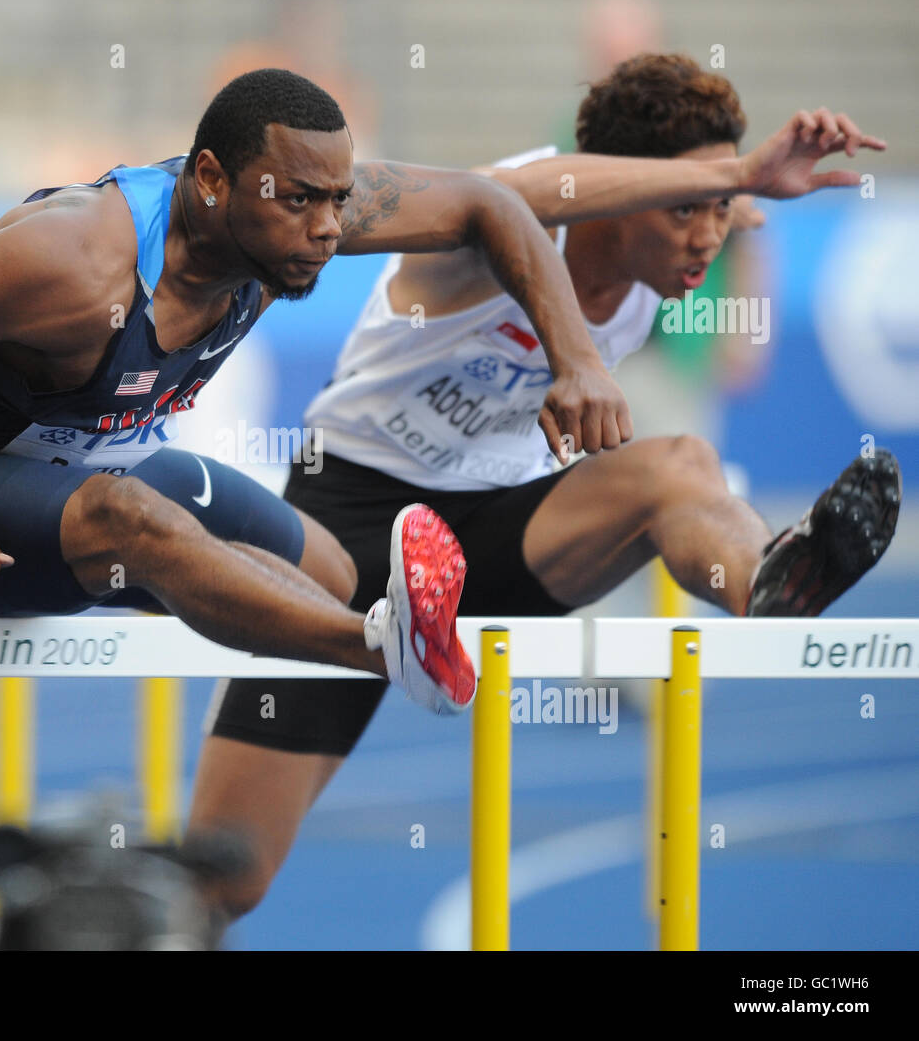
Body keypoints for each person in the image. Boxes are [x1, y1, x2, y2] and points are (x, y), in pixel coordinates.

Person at [192, 54, 901, 917]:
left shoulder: (662, 269)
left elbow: (731, 232)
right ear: (618, 190)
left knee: (680, 466)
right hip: (350, 533)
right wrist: (729, 177)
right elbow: (510, 196)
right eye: (686, 206)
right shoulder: (488, 229)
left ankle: (773, 579)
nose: (707, 238)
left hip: (499, 536)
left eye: (719, 210)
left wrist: (725, 195)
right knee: (228, 874)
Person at [0, 67, 637, 718]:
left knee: (327, 568)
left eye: (338, 202)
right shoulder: (74, 264)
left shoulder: (286, 226)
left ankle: (359, 629)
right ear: (210, 179)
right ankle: (385, 651)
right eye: (301, 202)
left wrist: (579, 361)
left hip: (83, 477)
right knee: (131, 515)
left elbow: (489, 202)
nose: (327, 230)